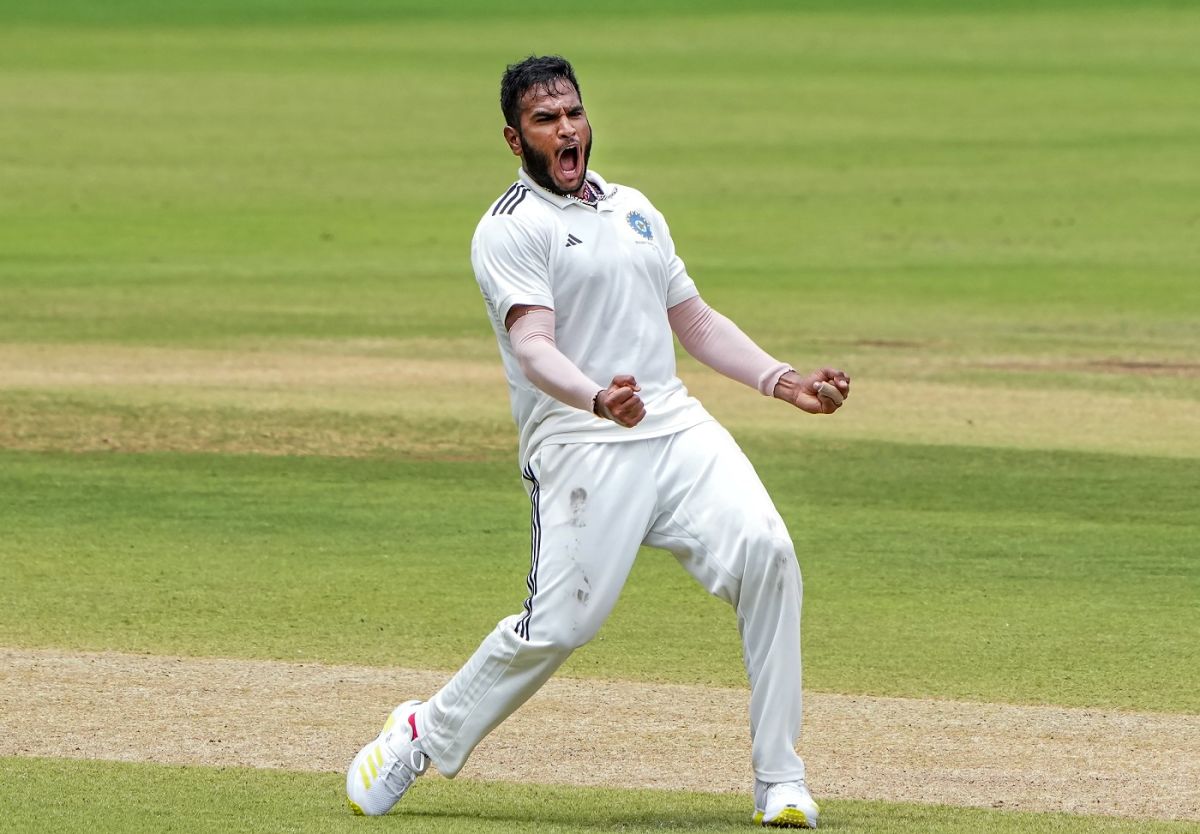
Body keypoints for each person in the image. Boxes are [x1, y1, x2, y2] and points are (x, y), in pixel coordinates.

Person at [346, 54, 849, 829]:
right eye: (546, 120)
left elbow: (696, 321)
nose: (567, 129)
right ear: (516, 140)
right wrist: (596, 398)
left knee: (769, 553)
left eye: (573, 113)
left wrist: (782, 382)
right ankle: (424, 731)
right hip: (581, 445)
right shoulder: (510, 229)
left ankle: (779, 780)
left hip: (674, 429)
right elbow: (534, 348)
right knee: (561, 627)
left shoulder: (634, 209)